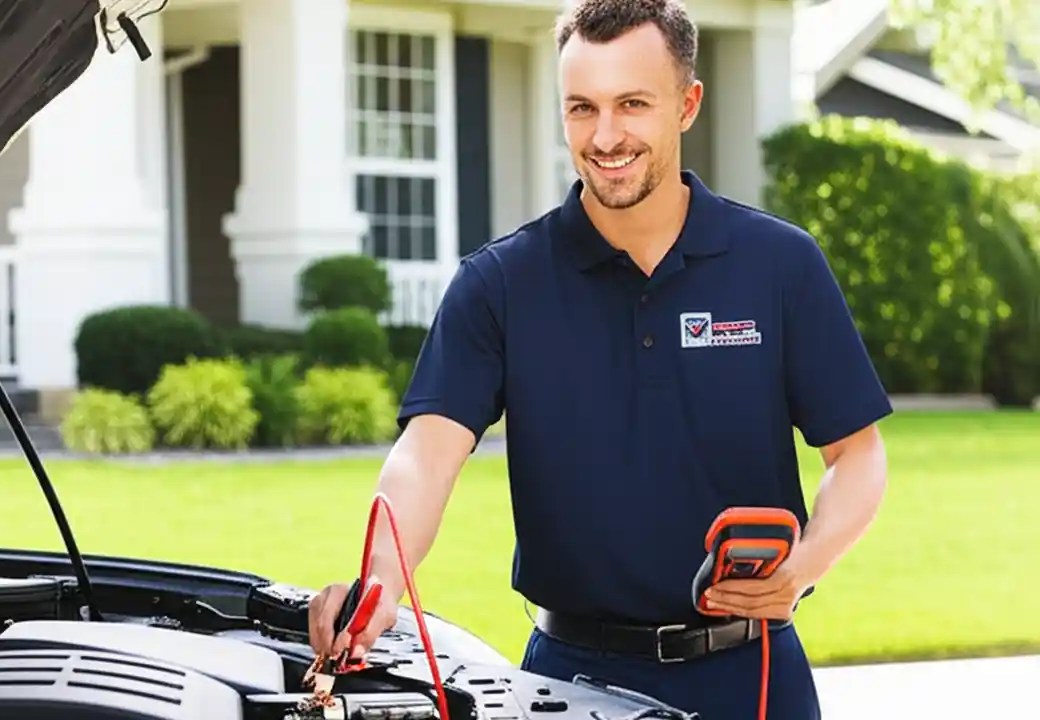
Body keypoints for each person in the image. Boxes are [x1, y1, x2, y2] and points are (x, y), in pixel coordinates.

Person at [306, 0, 890, 717]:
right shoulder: (500, 283)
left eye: (632, 105)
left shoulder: (781, 265)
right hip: (566, 682)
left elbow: (857, 455)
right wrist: (381, 581)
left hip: (753, 676)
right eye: (581, 108)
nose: (605, 136)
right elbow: (427, 453)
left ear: (687, 104)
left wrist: (803, 566)